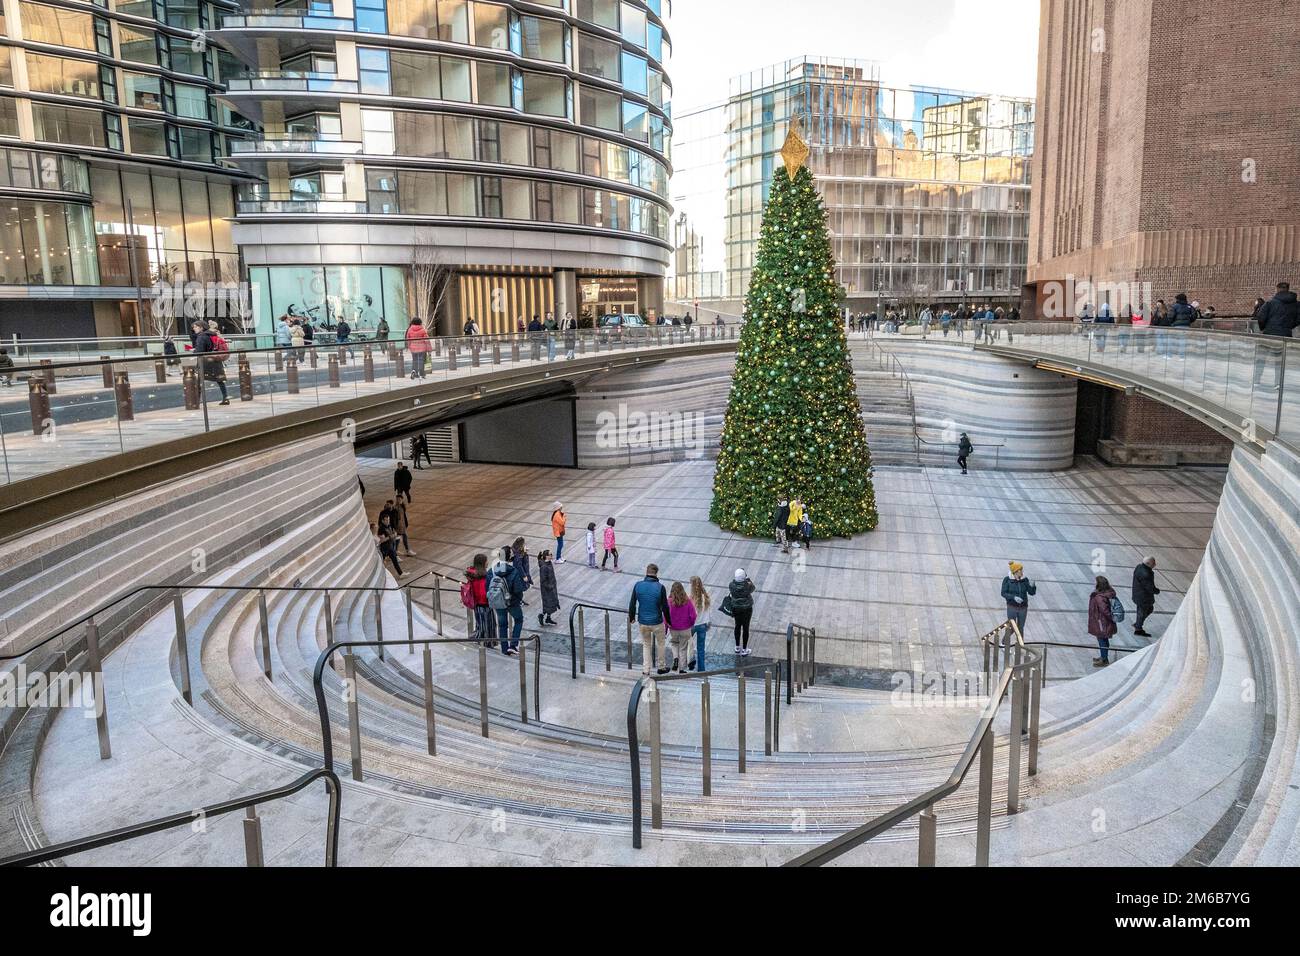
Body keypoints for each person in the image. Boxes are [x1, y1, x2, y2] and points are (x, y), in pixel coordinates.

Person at [1252, 282, 1298, 387]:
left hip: (1269, 333)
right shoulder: (1296, 304)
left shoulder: (1270, 303)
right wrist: (1289, 326)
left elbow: (1261, 317)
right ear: (1288, 289)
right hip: (1285, 334)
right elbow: (1298, 319)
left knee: (1261, 357)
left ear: (1277, 289)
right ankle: (1278, 383)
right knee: (1280, 360)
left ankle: (1257, 381)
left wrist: (1264, 328)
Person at [628, 564, 671, 675]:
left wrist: (632, 617)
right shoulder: (660, 587)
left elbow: (632, 603)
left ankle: (646, 670)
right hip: (657, 621)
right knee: (661, 643)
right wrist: (669, 621)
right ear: (656, 573)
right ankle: (661, 667)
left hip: (643, 621)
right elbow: (665, 607)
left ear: (646, 572)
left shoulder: (638, 585)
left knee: (646, 645)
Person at [489, 557, 524, 656]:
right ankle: (513, 645)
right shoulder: (513, 571)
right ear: (509, 558)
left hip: (499, 601)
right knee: (519, 620)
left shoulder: (493, 570)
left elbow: (488, 584)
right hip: (512, 602)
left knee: (502, 625)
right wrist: (518, 600)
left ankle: (504, 648)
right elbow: (518, 590)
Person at [190, 320, 230, 405]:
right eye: (193, 327)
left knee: (199, 380)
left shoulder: (201, 336)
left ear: (201, 327)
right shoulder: (212, 334)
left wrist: (194, 351)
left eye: (196, 327)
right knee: (220, 380)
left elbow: (200, 351)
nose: (194, 329)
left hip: (205, 361)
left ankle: (196, 401)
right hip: (215, 360)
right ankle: (225, 397)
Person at [666, 581, 697, 673]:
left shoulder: (669, 602)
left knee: (674, 643)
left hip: (673, 628)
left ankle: (675, 659)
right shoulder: (688, 601)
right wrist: (691, 624)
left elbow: (665, 616)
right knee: (683, 648)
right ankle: (682, 668)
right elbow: (693, 615)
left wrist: (666, 628)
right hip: (685, 628)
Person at [1089, 575, 1119, 667]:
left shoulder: (1100, 597)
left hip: (1101, 622)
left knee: (1102, 639)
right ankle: (1103, 656)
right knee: (1103, 639)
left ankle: (1104, 659)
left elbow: (1104, 610)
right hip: (1103, 621)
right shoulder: (1107, 593)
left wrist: (1109, 618)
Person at [1001, 561, 1036, 638]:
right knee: (1012, 627)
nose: (1022, 571)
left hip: (1023, 608)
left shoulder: (1025, 580)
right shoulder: (1007, 580)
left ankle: (1020, 646)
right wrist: (1014, 597)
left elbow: (1031, 593)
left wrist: (1033, 586)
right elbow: (1003, 593)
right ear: (1015, 572)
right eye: (1020, 570)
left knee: (1020, 628)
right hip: (1011, 607)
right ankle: (1003, 643)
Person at [726, 569, 756, 656]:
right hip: (747, 609)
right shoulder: (747, 586)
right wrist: (748, 578)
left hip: (736, 608)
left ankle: (737, 646)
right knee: (746, 628)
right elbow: (753, 588)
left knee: (737, 626)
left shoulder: (731, 585)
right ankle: (744, 649)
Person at [465, 553, 491, 642]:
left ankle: (479, 638)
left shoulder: (473, 575)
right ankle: (485, 643)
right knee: (486, 625)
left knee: (480, 623)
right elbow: (482, 593)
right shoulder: (482, 577)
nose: (488, 562)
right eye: (486, 561)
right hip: (484, 604)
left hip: (477, 605)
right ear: (482, 563)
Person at [1131, 557, 1159, 638]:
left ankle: (1138, 624)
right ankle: (1138, 629)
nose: (1155, 564)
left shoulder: (1139, 567)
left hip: (1138, 594)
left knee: (1147, 610)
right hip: (1143, 597)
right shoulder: (1146, 574)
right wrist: (1156, 591)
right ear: (1148, 564)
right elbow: (1149, 587)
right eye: (1153, 563)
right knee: (1142, 612)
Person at [689, 577, 712, 671]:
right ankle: (701, 669)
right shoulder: (705, 597)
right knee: (701, 648)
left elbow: (690, 614)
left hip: (692, 625)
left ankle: (690, 661)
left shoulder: (691, 598)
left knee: (687, 644)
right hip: (703, 625)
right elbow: (709, 612)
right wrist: (709, 623)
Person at [537, 550, 560, 627]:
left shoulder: (549, 563)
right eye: (550, 554)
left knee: (552, 603)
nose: (552, 555)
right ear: (546, 556)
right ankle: (542, 615)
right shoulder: (544, 567)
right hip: (547, 589)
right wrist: (550, 586)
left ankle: (548, 618)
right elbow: (543, 580)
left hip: (552, 587)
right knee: (548, 604)